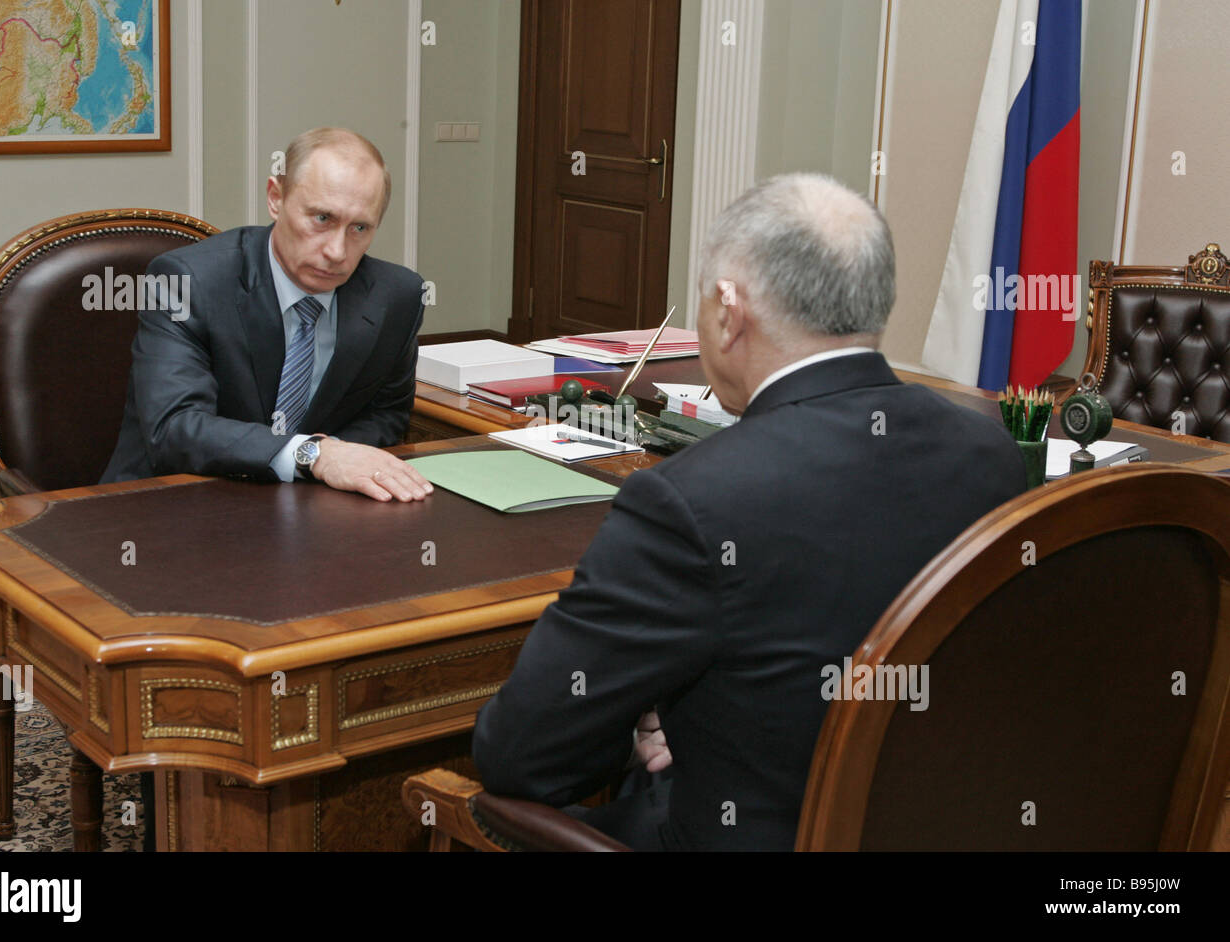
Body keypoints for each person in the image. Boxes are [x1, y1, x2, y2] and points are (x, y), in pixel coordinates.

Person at [471, 173, 1027, 851]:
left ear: (729, 311)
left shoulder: (692, 500)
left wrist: (637, 720)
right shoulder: (990, 453)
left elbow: (520, 756)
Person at [102, 126, 433, 502]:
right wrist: (314, 455)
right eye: (322, 218)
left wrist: (333, 458)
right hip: (172, 503)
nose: (338, 251)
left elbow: (387, 415)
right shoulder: (189, 281)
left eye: (360, 227)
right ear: (275, 198)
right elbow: (175, 428)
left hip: (312, 510)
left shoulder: (397, 297)